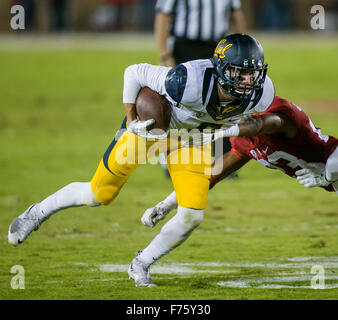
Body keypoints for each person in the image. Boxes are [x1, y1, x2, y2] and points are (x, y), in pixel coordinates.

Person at [8, 33, 275, 287]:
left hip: (191, 140)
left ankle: (141, 263)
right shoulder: (187, 80)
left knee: (192, 215)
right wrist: (133, 120)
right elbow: (133, 72)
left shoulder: (262, 95)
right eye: (238, 72)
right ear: (220, 69)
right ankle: (37, 212)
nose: (246, 80)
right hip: (152, 130)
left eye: (252, 73)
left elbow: (258, 127)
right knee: (98, 194)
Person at [141, 97, 338, 231]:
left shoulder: (277, 117)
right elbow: (207, 177)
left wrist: (324, 177)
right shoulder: (245, 144)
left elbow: (265, 123)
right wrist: (165, 205)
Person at [155, 0, 246, 176]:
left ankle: (224, 160)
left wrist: (242, 46)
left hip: (218, 47)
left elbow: (236, 14)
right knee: (181, 103)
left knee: (226, 100)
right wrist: (164, 53)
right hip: (184, 46)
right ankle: (175, 159)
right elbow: (163, 16)